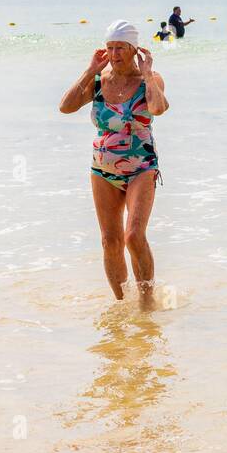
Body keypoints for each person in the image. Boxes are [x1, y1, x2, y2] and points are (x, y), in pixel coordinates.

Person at [58, 21, 168, 303]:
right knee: (110, 241)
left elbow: (159, 108)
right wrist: (90, 70)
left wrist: (146, 73)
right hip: (102, 170)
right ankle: (122, 304)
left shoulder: (150, 79)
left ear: (134, 49)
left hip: (141, 168)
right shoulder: (98, 81)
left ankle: (146, 304)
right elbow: (65, 106)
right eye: (110, 47)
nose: (114, 53)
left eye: (120, 47)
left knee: (133, 236)